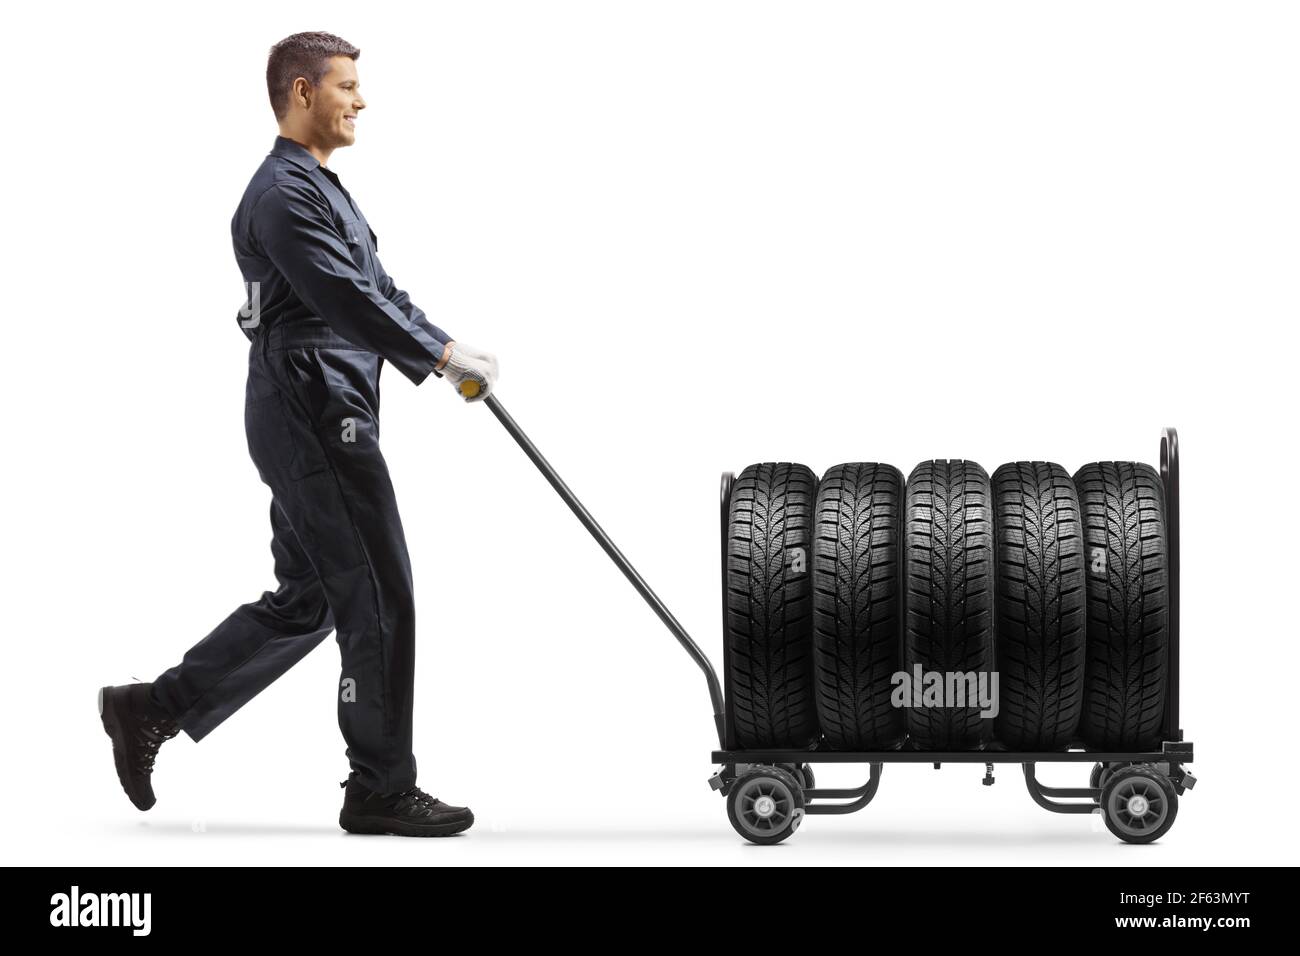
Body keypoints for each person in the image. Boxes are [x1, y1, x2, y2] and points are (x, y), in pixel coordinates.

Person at [98, 31, 498, 837]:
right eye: (346, 85)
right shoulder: (281, 194)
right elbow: (342, 297)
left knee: (312, 596)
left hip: (324, 400)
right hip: (311, 405)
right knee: (379, 590)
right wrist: (441, 357)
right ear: (302, 93)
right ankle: (380, 785)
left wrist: (446, 347)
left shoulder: (325, 190)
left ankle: (151, 708)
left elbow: (379, 289)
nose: (360, 99)